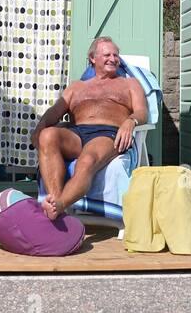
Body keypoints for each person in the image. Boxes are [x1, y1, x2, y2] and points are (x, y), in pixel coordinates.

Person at [31, 36, 148, 220]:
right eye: (107, 54)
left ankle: (59, 205)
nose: (113, 58)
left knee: (87, 160)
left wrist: (130, 121)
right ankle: (54, 201)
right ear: (93, 58)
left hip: (108, 134)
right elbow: (55, 111)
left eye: (116, 55)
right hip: (77, 133)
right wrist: (41, 127)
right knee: (47, 135)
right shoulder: (77, 87)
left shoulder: (129, 83)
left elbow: (142, 112)